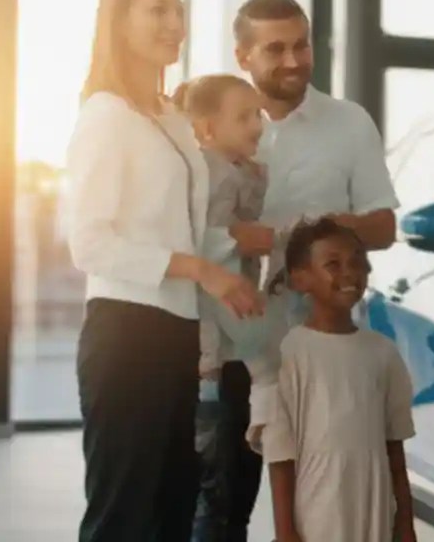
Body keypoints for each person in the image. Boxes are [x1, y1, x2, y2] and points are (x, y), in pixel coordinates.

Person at [66, 0, 262, 542]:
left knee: (173, 511)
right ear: (118, 21)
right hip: (125, 334)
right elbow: (90, 242)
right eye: (157, 10)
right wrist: (202, 269)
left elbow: (190, 222)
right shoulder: (106, 115)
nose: (174, 23)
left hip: (177, 333)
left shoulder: (171, 118)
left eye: (178, 9)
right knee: (123, 518)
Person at [206, 0, 400, 537]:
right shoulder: (211, 121)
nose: (293, 60)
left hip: (319, 352)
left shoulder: (349, 123)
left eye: (302, 45)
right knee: (223, 508)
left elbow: (384, 227)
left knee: (324, 510)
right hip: (231, 348)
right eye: (275, 49)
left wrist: (324, 227)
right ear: (243, 56)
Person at [173, 74, 288, 542]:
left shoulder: (233, 169)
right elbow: (209, 240)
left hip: (227, 358)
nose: (257, 124)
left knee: (230, 491)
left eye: (257, 113)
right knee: (221, 495)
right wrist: (262, 236)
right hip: (214, 361)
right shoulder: (210, 172)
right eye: (243, 117)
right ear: (205, 129)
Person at [262, 218, 417, 542]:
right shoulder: (288, 354)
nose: (350, 272)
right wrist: (285, 533)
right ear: (300, 278)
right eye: (333, 263)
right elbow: (280, 457)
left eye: (357, 262)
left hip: (371, 516)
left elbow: (395, 452)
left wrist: (405, 527)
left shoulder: (383, 354)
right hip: (316, 518)